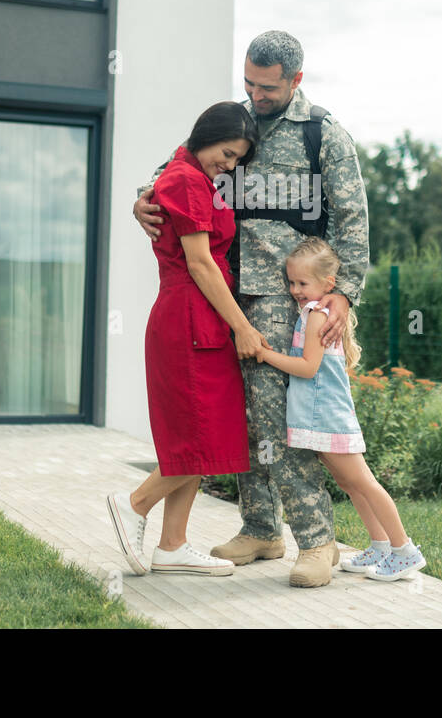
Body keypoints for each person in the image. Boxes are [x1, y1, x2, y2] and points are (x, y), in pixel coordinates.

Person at [133, 30, 370, 587]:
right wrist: (141, 200)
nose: (255, 95)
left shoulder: (323, 133)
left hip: (283, 298)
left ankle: (316, 542)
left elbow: (352, 216)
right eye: (248, 83)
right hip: (220, 294)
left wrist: (343, 292)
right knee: (237, 418)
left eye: (266, 87)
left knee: (281, 417)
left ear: (296, 80)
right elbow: (173, 173)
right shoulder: (232, 123)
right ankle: (261, 528)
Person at [107, 102, 264, 576]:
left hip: (198, 318)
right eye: (228, 153)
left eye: (238, 159)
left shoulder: (189, 174)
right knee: (198, 438)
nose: (230, 165)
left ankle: (172, 545)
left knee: (201, 436)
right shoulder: (187, 180)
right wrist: (243, 326)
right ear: (207, 135)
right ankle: (132, 504)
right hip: (190, 316)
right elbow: (200, 264)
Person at [254, 236, 427, 582]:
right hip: (321, 416)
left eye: (302, 283)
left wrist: (265, 354)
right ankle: (380, 546)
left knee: (364, 482)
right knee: (351, 484)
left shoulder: (318, 317)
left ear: (328, 284)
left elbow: (307, 368)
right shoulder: (312, 313)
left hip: (328, 417)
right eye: (291, 282)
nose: (295, 289)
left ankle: (404, 550)